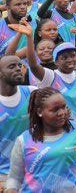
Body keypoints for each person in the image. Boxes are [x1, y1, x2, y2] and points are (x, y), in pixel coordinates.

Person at [4, 86, 76, 193]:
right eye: (55, 110)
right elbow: (14, 178)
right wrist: (11, 189)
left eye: (64, 107)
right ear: (39, 112)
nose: (61, 113)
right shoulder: (23, 140)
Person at [0, 55, 32, 183]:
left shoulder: (32, 93)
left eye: (20, 65)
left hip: (32, 172)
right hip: (3, 176)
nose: (18, 69)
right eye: (11, 66)